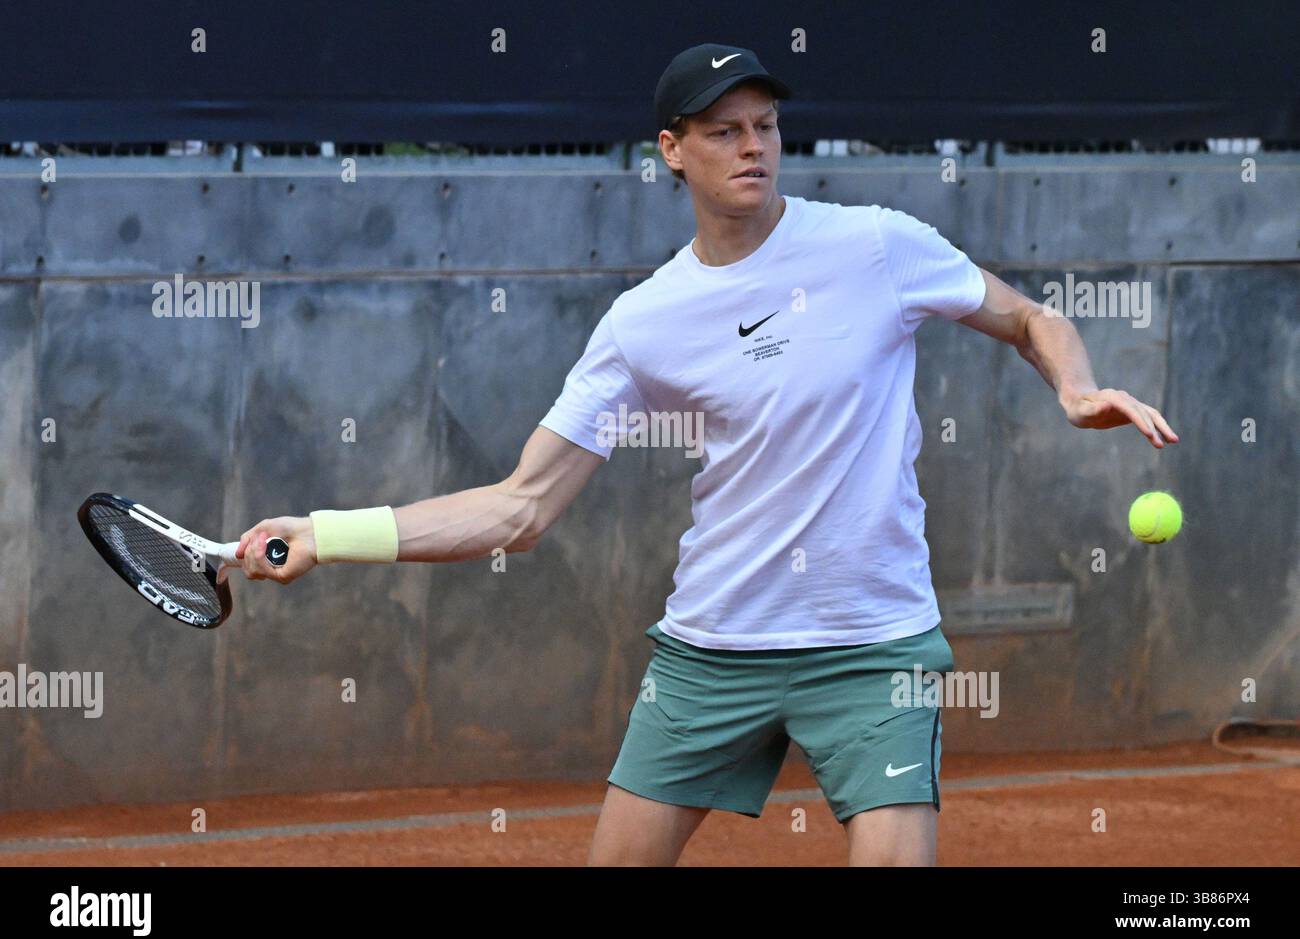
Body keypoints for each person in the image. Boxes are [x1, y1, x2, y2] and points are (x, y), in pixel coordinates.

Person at [234, 43, 1179, 866]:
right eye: (723, 131)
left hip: (873, 640)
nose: (754, 146)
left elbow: (1030, 317)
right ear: (672, 154)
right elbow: (520, 508)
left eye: (765, 125)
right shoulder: (643, 322)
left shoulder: (877, 247)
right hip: (715, 648)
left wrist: (1074, 385)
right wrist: (327, 533)